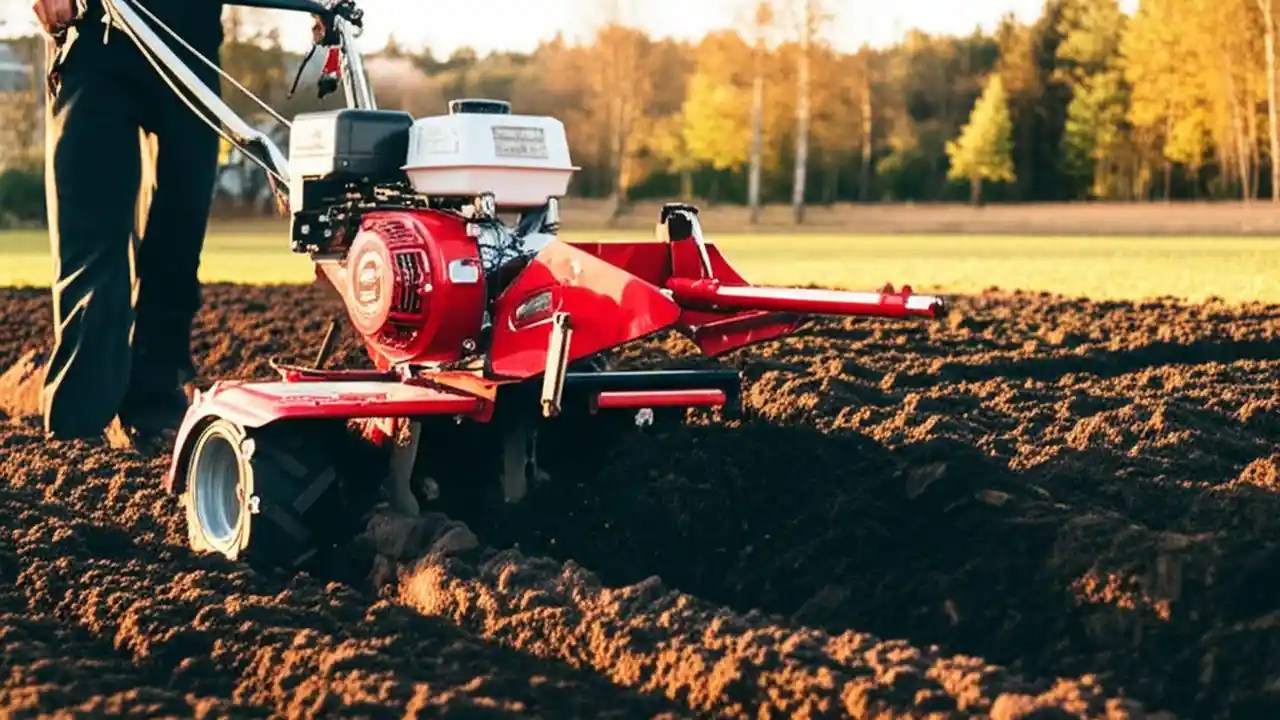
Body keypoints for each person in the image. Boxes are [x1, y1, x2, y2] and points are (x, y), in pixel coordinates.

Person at [31, 0, 224, 454]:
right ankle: (78, 426)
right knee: (93, 240)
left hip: (190, 35)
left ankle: (154, 397)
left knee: (182, 226)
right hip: (95, 28)